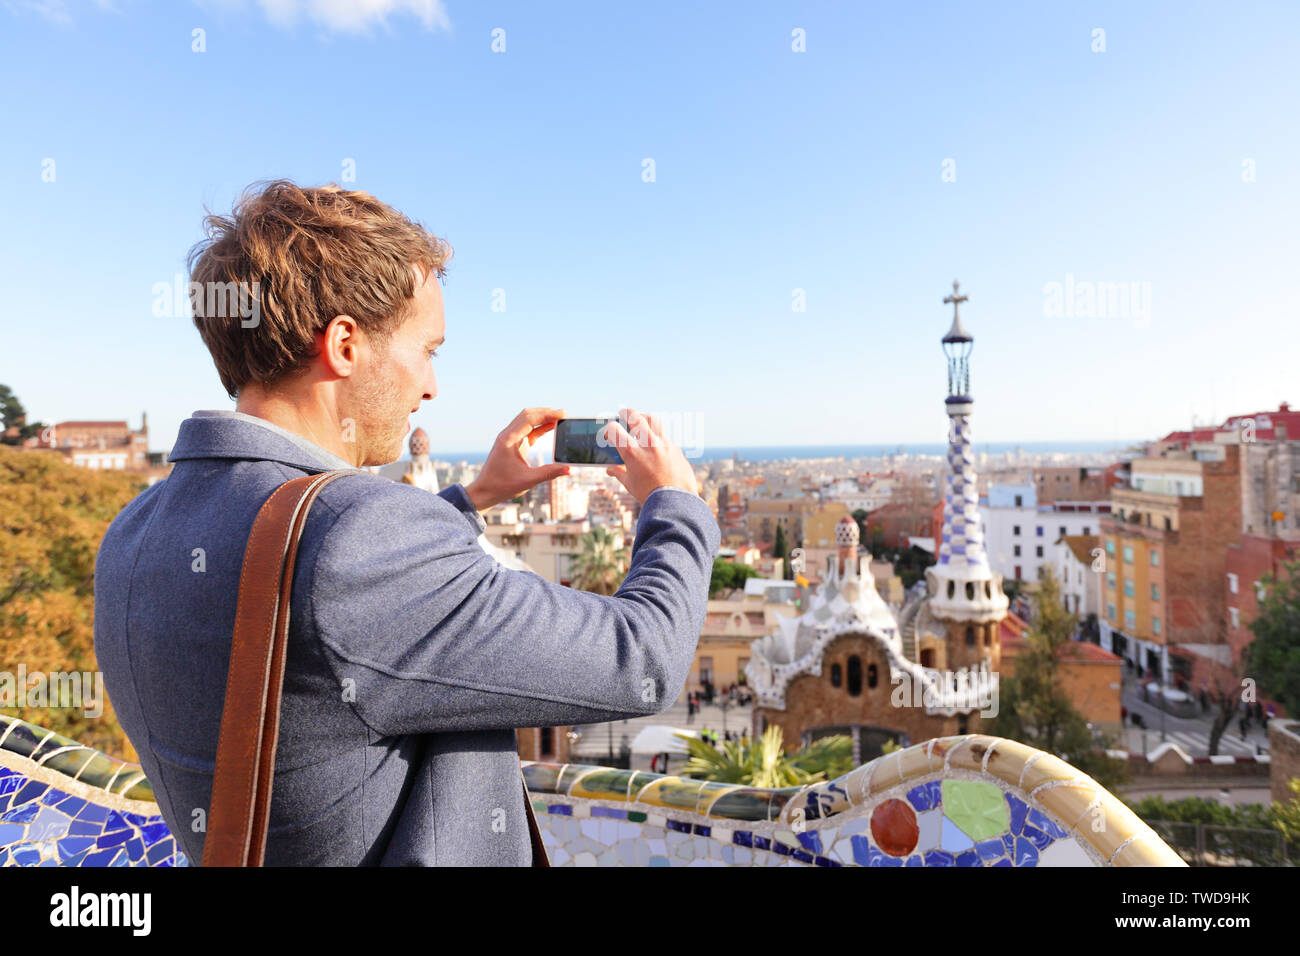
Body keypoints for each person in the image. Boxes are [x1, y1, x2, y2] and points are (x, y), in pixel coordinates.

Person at [93, 180, 720, 867]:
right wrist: (676, 505)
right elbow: (641, 662)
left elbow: (313, 610)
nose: (432, 386)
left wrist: (473, 496)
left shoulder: (135, 530)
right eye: (429, 350)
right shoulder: (358, 541)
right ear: (344, 345)